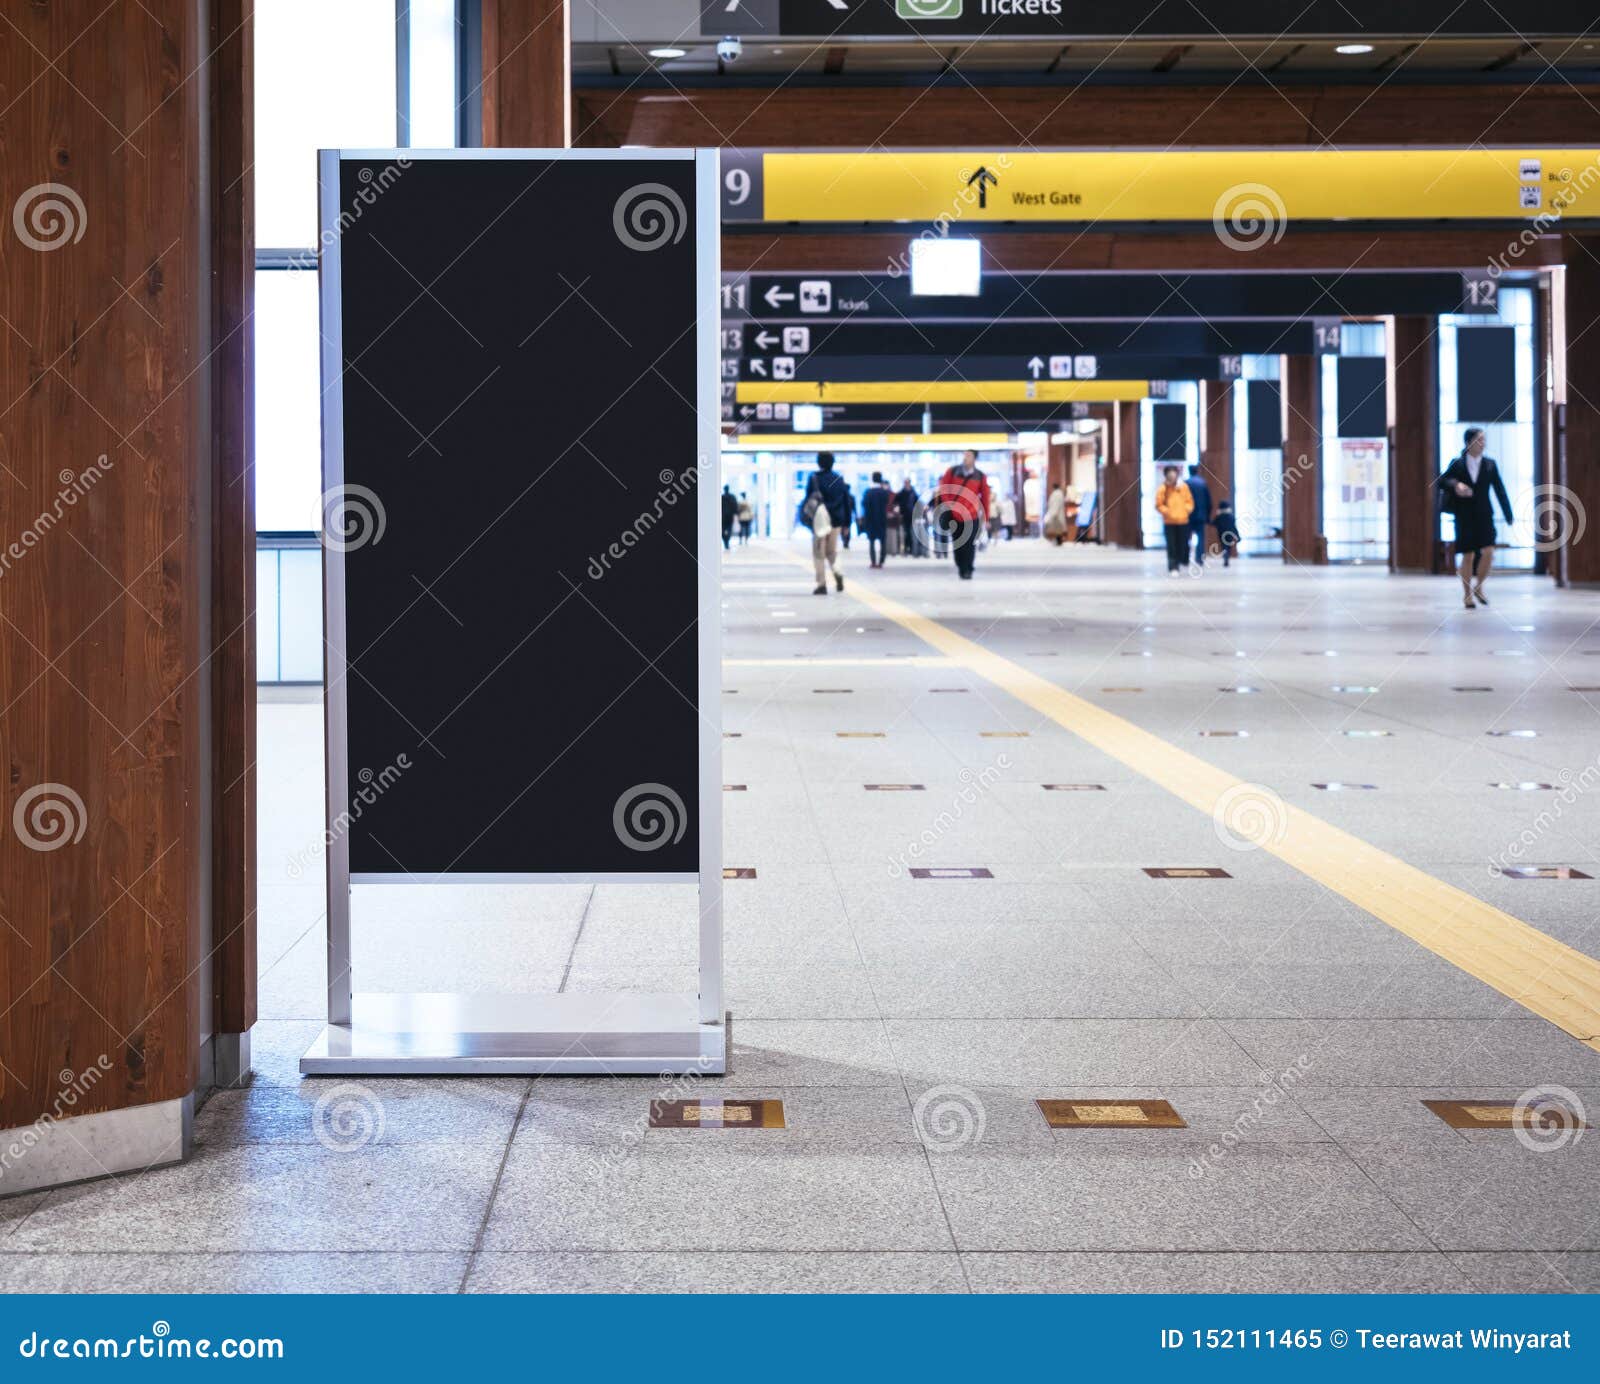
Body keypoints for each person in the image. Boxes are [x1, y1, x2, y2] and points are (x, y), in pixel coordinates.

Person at [1438, 426, 1513, 608]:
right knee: (1468, 555)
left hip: (1484, 514)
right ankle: (1467, 595)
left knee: (1489, 551)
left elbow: (1499, 489)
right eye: (1479, 439)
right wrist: (1456, 485)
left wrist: (1508, 513)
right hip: (1464, 516)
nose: (1483, 443)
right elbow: (1441, 481)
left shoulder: (1490, 464)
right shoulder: (1457, 463)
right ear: (1468, 442)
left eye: (1484, 439)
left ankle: (1479, 586)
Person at [935, 449, 993, 581]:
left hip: (971, 516)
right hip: (954, 515)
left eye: (968, 455)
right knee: (958, 543)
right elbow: (944, 488)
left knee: (969, 543)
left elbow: (985, 498)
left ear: (974, 459)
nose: (965, 458)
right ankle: (961, 566)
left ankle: (968, 569)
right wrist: (949, 504)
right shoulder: (953, 471)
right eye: (964, 455)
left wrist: (986, 518)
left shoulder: (980, 476)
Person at [801, 452, 850, 595]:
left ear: (819, 463)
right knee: (832, 551)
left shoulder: (814, 478)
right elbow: (846, 502)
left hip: (820, 521)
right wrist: (847, 523)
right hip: (836, 521)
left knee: (818, 553)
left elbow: (808, 499)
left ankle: (821, 584)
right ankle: (838, 572)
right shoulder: (839, 479)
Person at [1154, 465, 1194, 576]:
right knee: (1171, 545)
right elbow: (1158, 504)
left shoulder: (1183, 487)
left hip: (1183, 520)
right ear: (1166, 475)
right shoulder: (1163, 489)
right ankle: (1173, 567)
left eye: (1174, 473)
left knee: (1183, 544)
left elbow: (1189, 502)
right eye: (1169, 473)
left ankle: (1182, 560)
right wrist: (1167, 511)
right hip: (1169, 522)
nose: (1172, 475)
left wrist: (1186, 510)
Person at [861, 471, 891, 569]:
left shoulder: (868, 492)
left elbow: (864, 505)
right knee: (883, 541)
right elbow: (888, 503)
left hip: (870, 520)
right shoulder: (884, 492)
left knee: (872, 542)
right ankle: (881, 561)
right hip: (882, 519)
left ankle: (873, 562)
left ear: (872, 479)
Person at [1186, 464, 1214, 569]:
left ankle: (1185, 557)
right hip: (1201, 515)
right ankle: (1199, 558)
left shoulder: (1186, 484)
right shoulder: (1203, 483)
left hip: (1188, 515)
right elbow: (1208, 501)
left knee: (1186, 537)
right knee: (1201, 537)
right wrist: (1208, 515)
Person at [896, 478, 921, 557]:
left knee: (912, 533)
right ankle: (906, 549)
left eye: (907, 482)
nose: (906, 484)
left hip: (912, 516)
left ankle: (912, 549)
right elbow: (896, 502)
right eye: (905, 482)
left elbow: (917, 503)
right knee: (906, 533)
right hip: (904, 516)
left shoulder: (913, 493)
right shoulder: (901, 493)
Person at [1213, 499, 1240, 567]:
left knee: (1224, 546)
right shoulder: (1230, 516)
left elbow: (1214, 523)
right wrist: (1237, 536)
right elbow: (1234, 527)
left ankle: (1225, 557)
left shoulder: (1219, 516)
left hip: (1221, 533)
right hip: (1229, 534)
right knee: (1228, 547)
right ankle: (1227, 558)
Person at [720, 485, 737, 550]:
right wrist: (735, 514)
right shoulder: (732, 497)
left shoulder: (721, 497)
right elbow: (735, 506)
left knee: (723, 529)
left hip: (723, 516)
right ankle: (727, 541)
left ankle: (725, 542)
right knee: (729, 529)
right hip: (729, 516)